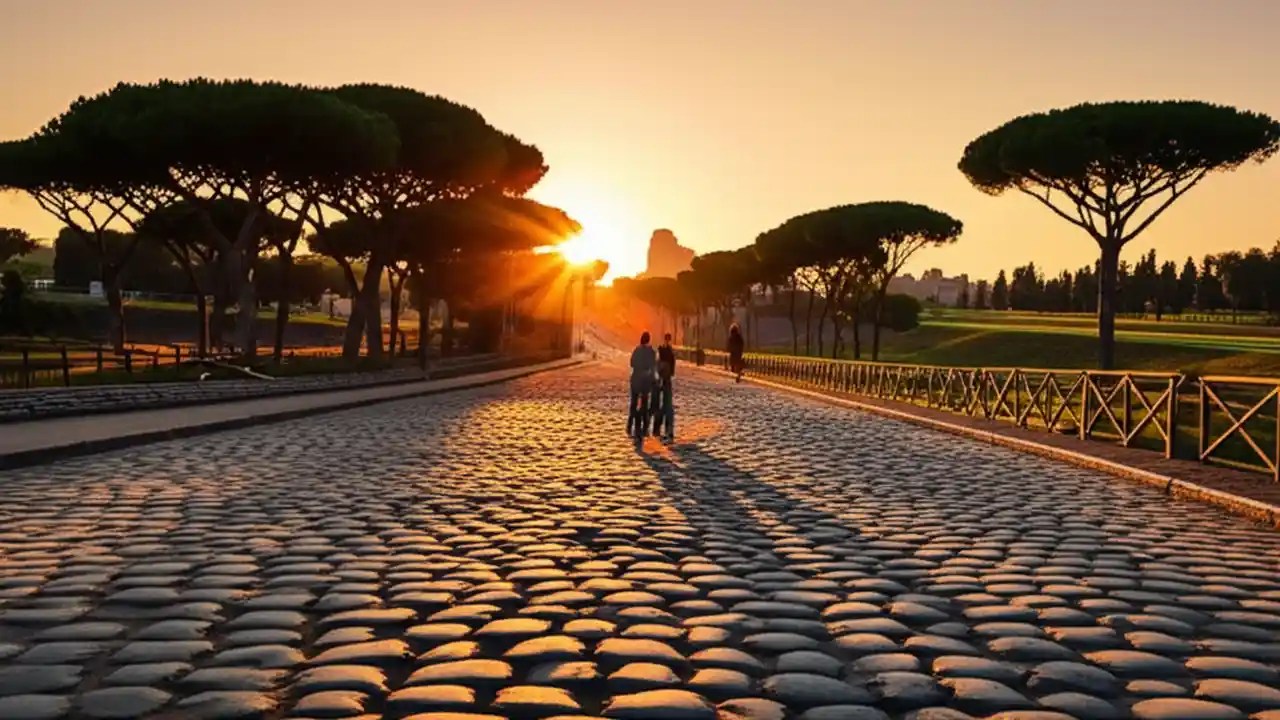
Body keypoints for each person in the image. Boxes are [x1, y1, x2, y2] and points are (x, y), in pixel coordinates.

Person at [627, 331, 657, 439]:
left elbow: (631, 363)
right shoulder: (651, 352)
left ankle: (631, 426)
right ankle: (644, 428)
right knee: (644, 405)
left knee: (634, 403)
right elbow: (653, 367)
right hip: (645, 381)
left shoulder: (637, 350)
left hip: (635, 379)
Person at [652, 333, 676, 440]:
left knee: (659, 405)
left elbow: (656, 364)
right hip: (666, 380)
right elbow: (672, 368)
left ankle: (656, 429)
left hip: (659, 380)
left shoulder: (660, 350)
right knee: (667, 406)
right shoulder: (670, 352)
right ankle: (668, 429)